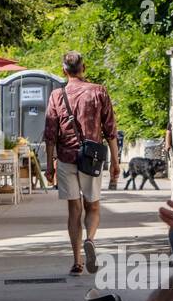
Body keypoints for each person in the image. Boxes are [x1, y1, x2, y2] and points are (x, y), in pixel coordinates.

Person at [43, 51, 120, 275]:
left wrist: (50, 165)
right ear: (83, 68)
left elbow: (50, 134)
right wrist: (115, 161)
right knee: (93, 206)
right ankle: (91, 240)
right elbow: (110, 130)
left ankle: (77, 260)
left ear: (64, 71)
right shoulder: (98, 91)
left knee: (73, 209)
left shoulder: (57, 96)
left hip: (67, 159)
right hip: (92, 159)